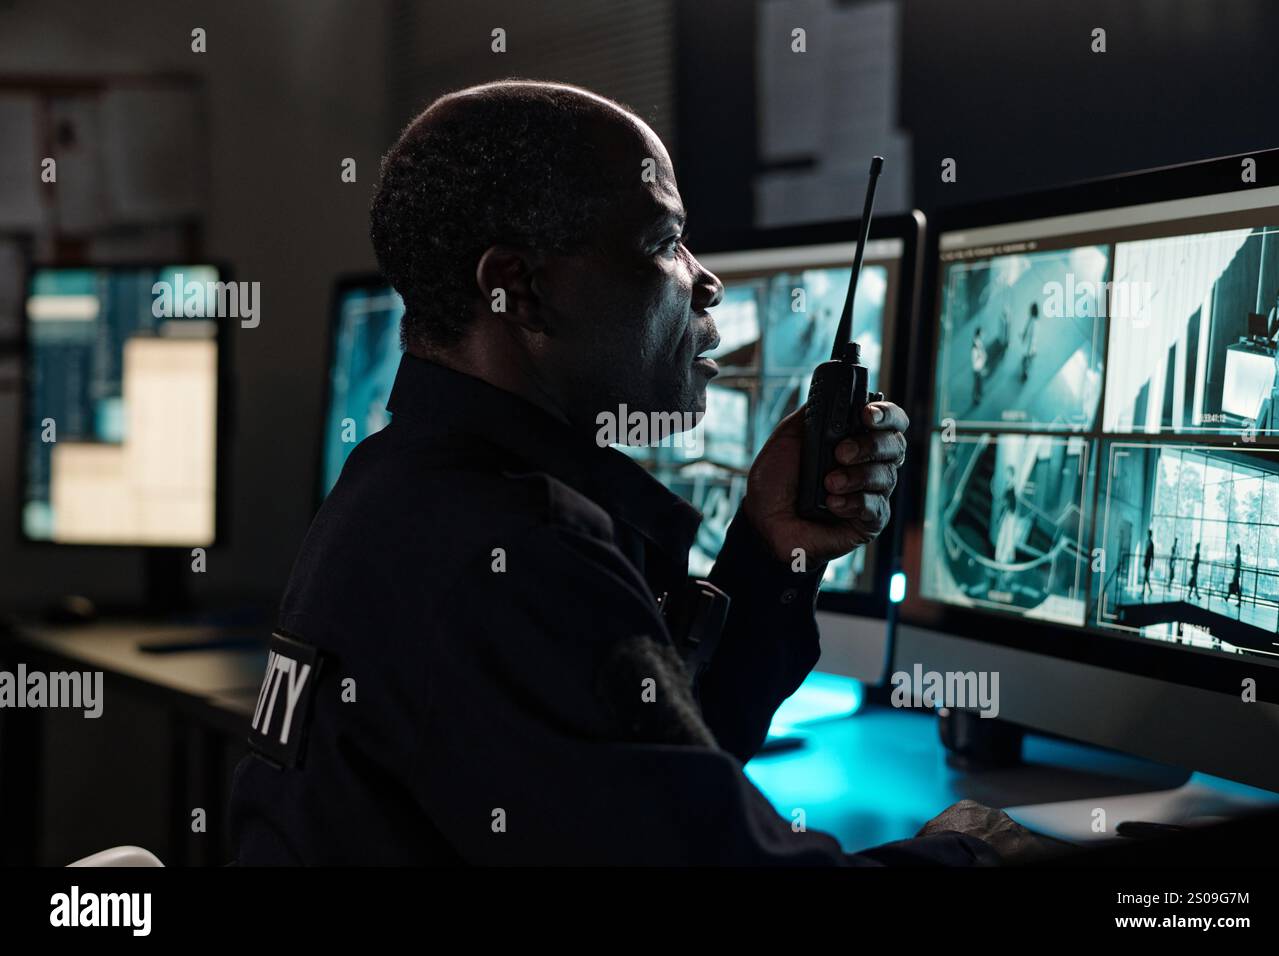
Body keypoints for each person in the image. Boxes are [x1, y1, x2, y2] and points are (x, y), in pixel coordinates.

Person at [229, 80, 1036, 866]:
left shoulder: (392, 483)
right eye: (661, 243)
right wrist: (973, 856)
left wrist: (770, 552)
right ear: (520, 290)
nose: (706, 280)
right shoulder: (515, 557)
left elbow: (647, 779)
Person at [1021, 302, 1039, 382]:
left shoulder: (1033, 322)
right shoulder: (1032, 319)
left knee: (1026, 361)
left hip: (1030, 346)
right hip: (1030, 345)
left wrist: (1030, 350)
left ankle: (1025, 374)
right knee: (1027, 359)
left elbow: (1032, 335)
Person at [971, 326, 987, 405]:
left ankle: (977, 397)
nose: (983, 335)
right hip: (978, 367)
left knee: (978, 383)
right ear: (979, 334)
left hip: (978, 367)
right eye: (982, 333)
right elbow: (978, 356)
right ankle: (976, 398)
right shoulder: (977, 343)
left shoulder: (977, 341)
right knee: (978, 383)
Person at [1229, 543, 1243, 607]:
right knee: (1234, 587)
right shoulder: (1239, 556)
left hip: (1236, 575)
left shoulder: (1237, 557)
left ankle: (1239, 602)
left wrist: (1233, 566)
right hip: (1237, 574)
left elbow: (1236, 566)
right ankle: (1227, 597)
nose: (1235, 549)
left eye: (1236, 548)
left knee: (1234, 587)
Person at [1142, 528, 1154, 599]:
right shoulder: (1147, 542)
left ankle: (1144, 590)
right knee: (1146, 577)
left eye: (1149, 534)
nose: (1148, 535)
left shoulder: (1151, 543)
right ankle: (1149, 589)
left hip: (1148, 561)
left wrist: (1152, 564)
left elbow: (1152, 554)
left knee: (1145, 577)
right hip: (1146, 561)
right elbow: (1146, 552)